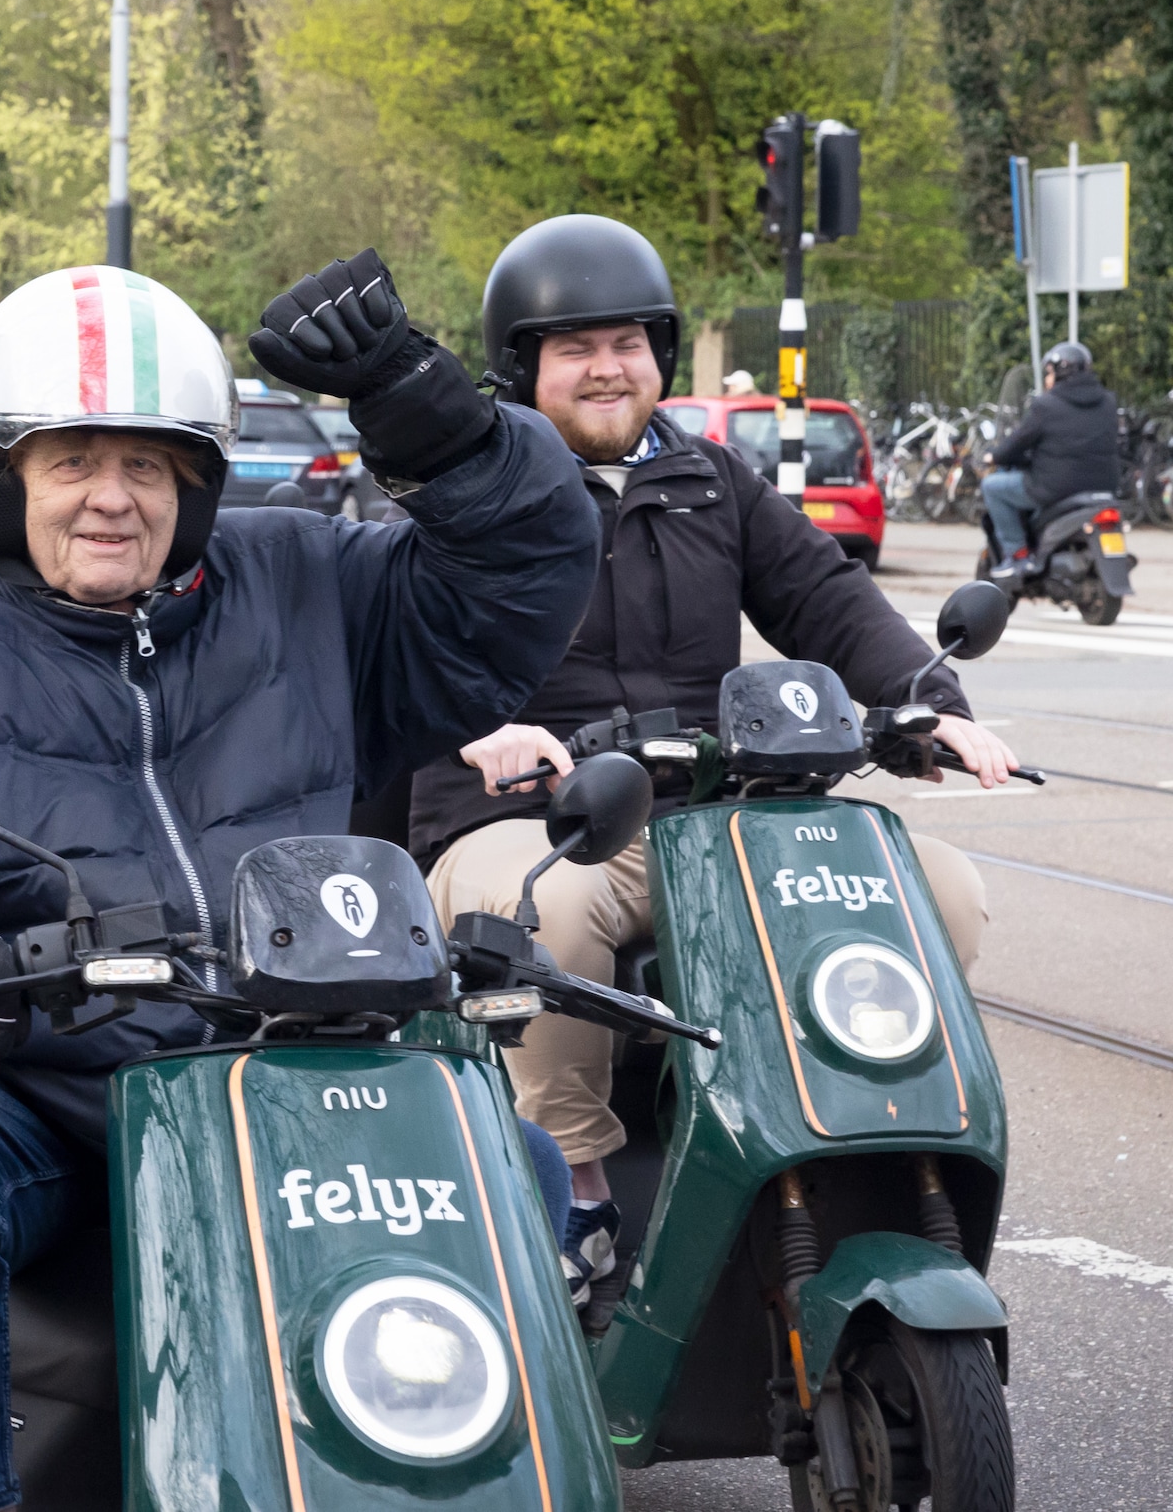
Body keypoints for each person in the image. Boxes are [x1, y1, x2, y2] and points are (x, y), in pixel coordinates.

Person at [0, 258, 599, 1512]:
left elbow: (518, 580)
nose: (110, 500)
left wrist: (422, 406)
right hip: (42, 1086)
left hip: (291, 1074)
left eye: (149, 466)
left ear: (198, 482)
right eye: (71, 461)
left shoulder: (312, 587)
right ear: (0, 474)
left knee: (518, 1165)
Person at [409, 215, 1010, 1310]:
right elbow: (382, 638)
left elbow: (824, 598)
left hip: (706, 814)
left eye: (628, 342)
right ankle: (579, 1198)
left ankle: (852, 1138)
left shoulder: (710, 480)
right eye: (575, 347)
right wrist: (473, 726)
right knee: (544, 910)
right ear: (518, 366)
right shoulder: (461, 496)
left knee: (938, 895)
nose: (607, 368)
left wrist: (924, 704)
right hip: (538, 819)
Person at [980, 340, 1121, 577]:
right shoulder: (1108, 402)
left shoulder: (1046, 405)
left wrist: (994, 455)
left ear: (1061, 372)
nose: (1047, 379)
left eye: (1049, 373)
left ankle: (1017, 554)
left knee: (992, 486)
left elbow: (1018, 442)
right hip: (1104, 486)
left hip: (1056, 487)